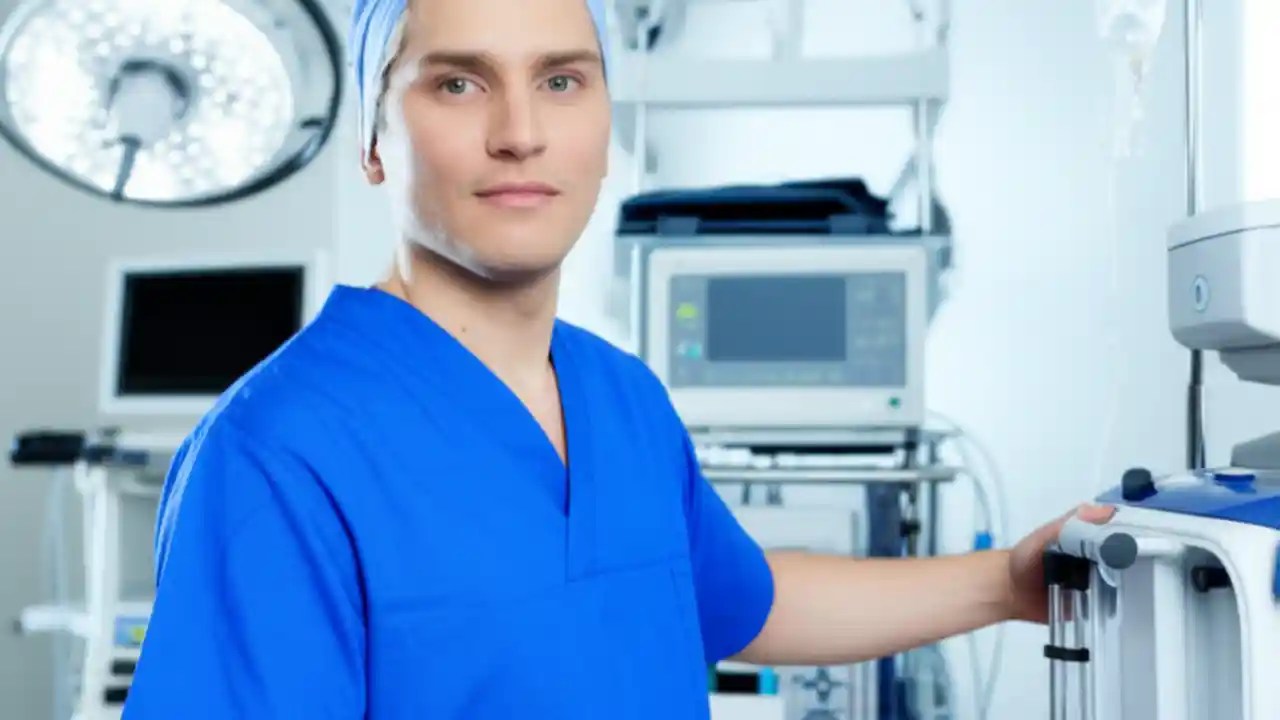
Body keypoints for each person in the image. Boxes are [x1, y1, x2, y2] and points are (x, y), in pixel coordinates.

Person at [122, 0, 1114, 717]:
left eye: (560, 81)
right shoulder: (276, 453)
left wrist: (1004, 584)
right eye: (459, 83)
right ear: (373, 139)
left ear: (603, 128)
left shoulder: (619, 397)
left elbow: (741, 601)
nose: (520, 134)